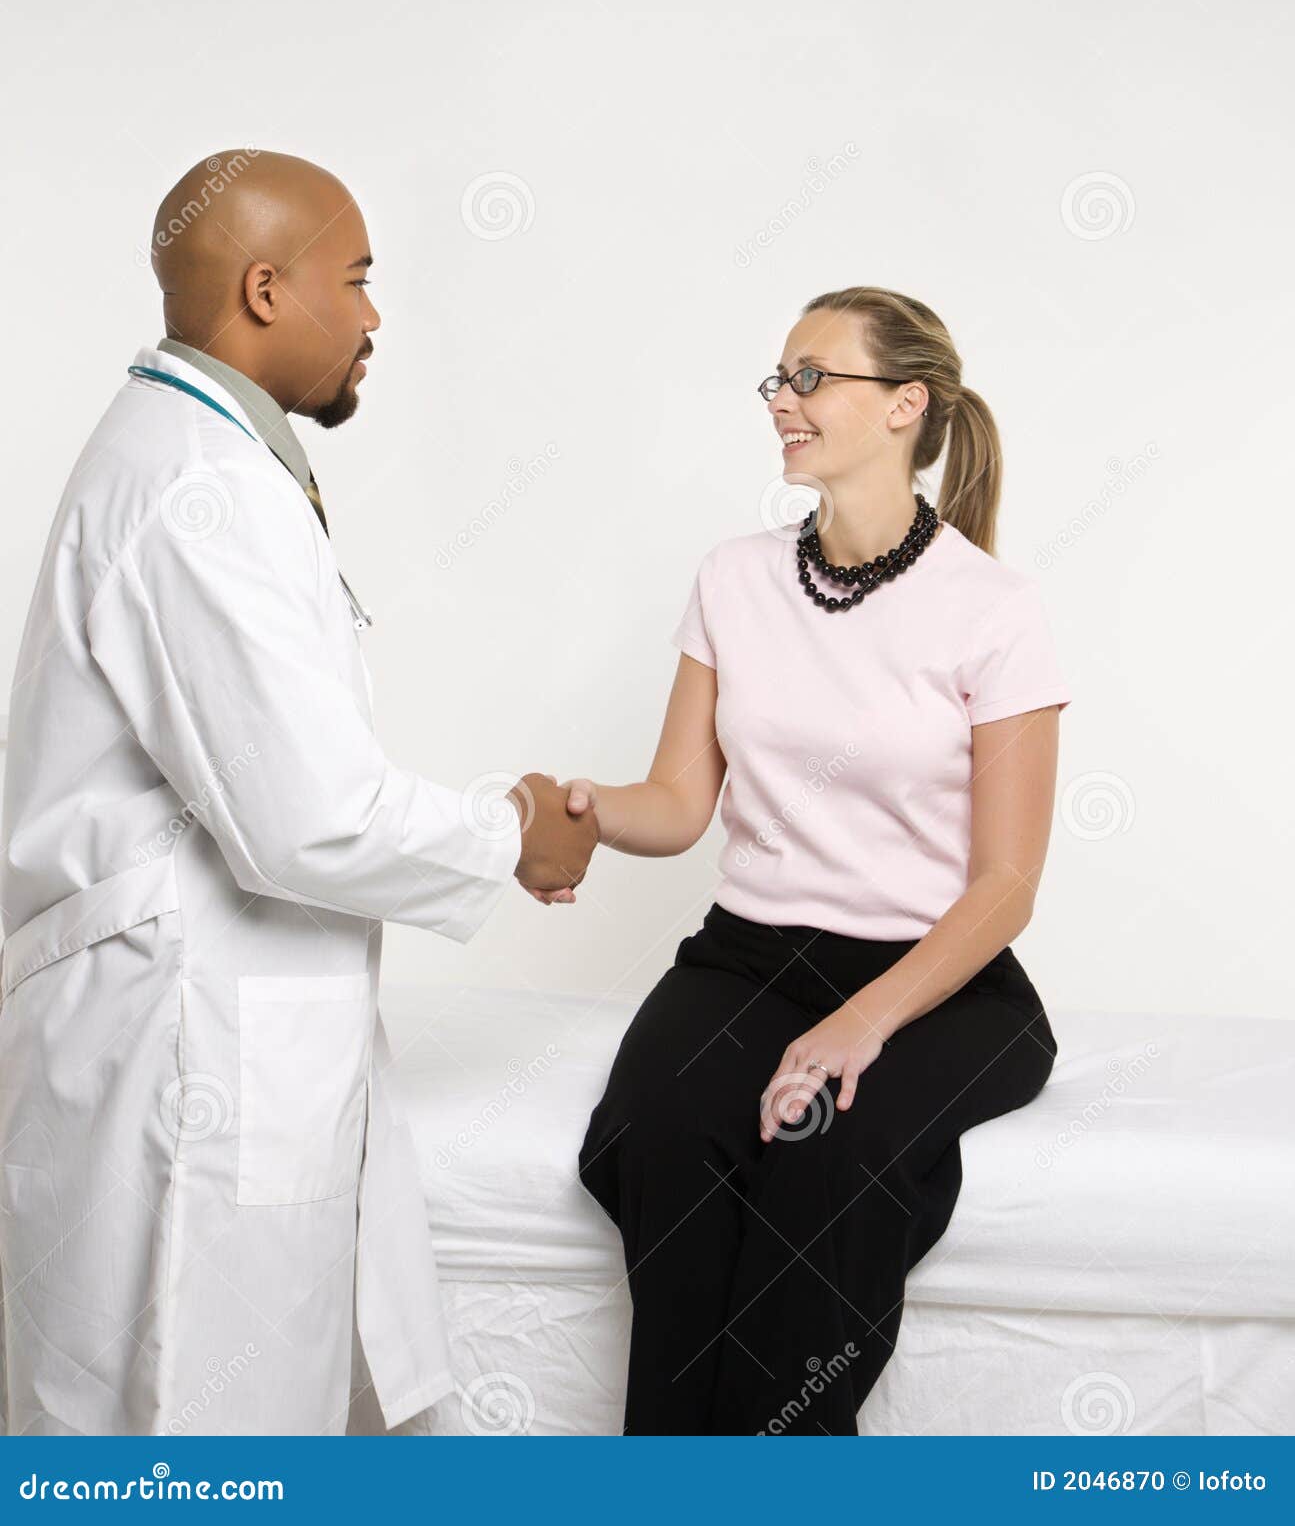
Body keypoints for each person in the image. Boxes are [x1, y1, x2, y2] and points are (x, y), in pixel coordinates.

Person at [0, 150, 596, 1436]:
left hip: (212, 1019)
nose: (377, 316)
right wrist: (512, 833)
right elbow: (306, 816)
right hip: (176, 1042)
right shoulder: (197, 487)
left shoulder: (202, 456)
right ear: (265, 290)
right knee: (181, 1428)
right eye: (359, 279)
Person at [553, 286, 1070, 1435]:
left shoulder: (993, 608)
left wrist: (861, 1024)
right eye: (776, 380)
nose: (781, 402)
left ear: (904, 405)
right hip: (749, 955)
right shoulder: (732, 578)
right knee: (660, 1135)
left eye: (809, 377)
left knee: (819, 1159)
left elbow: (1004, 885)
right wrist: (588, 810)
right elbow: (681, 802)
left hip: (936, 976)